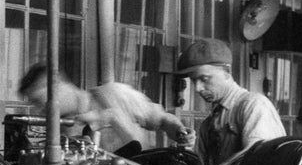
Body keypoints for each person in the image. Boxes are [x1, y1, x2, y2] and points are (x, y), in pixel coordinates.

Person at [165, 38, 285, 165]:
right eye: (194, 81)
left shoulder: (254, 105)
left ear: (227, 72)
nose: (198, 88)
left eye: (205, 79)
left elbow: (257, 157)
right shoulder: (208, 124)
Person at [17, 62, 195, 155]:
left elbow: (162, 119)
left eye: (41, 101)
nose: (42, 110)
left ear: (57, 83)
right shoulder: (61, 129)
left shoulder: (114, 93)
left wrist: (180, 132)